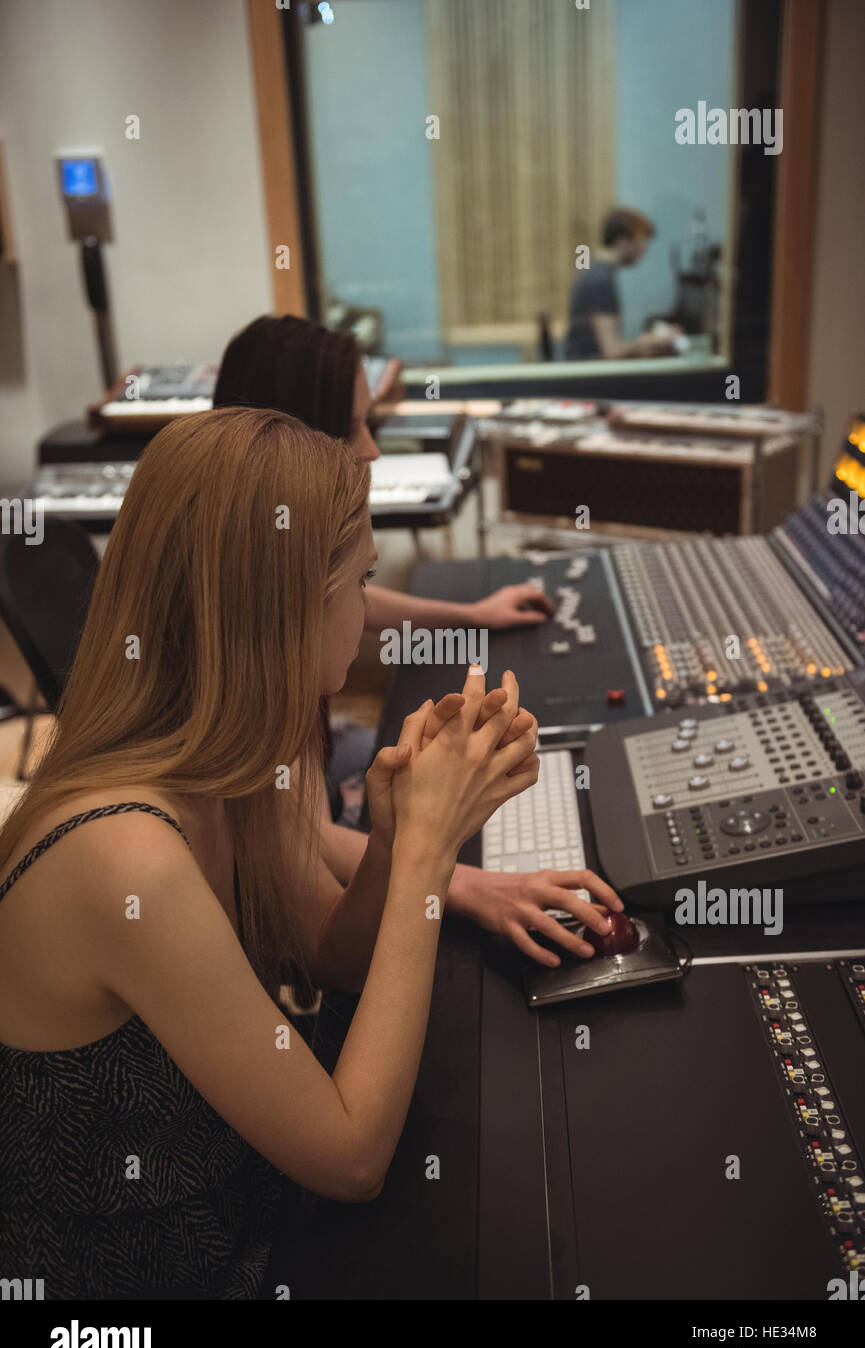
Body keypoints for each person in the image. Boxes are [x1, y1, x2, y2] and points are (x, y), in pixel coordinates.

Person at [0, 407, 623, 1299]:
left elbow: (332, 953)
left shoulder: (228, 766)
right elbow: (349, 1154)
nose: (366, 611)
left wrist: (397, 835)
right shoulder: (123, 857)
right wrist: (425, 858)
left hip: (237, 1201)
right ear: (286, 605)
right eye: (359, 583)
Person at [214, 315, 620, 970]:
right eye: (351, 427)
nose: (370, 449)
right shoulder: (249, 648)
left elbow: (341, 596)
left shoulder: (258, 559)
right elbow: (312, 872)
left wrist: (468, 614)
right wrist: (466, 883)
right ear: (290, 434)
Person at [565, 208, 681, 361]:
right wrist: (647, 341)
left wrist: (644, 344)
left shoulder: (596, 270)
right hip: (587, 372)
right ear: (622, 241)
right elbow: (611, 352)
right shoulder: (600, 280)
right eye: (641, 241)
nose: (644, 250)